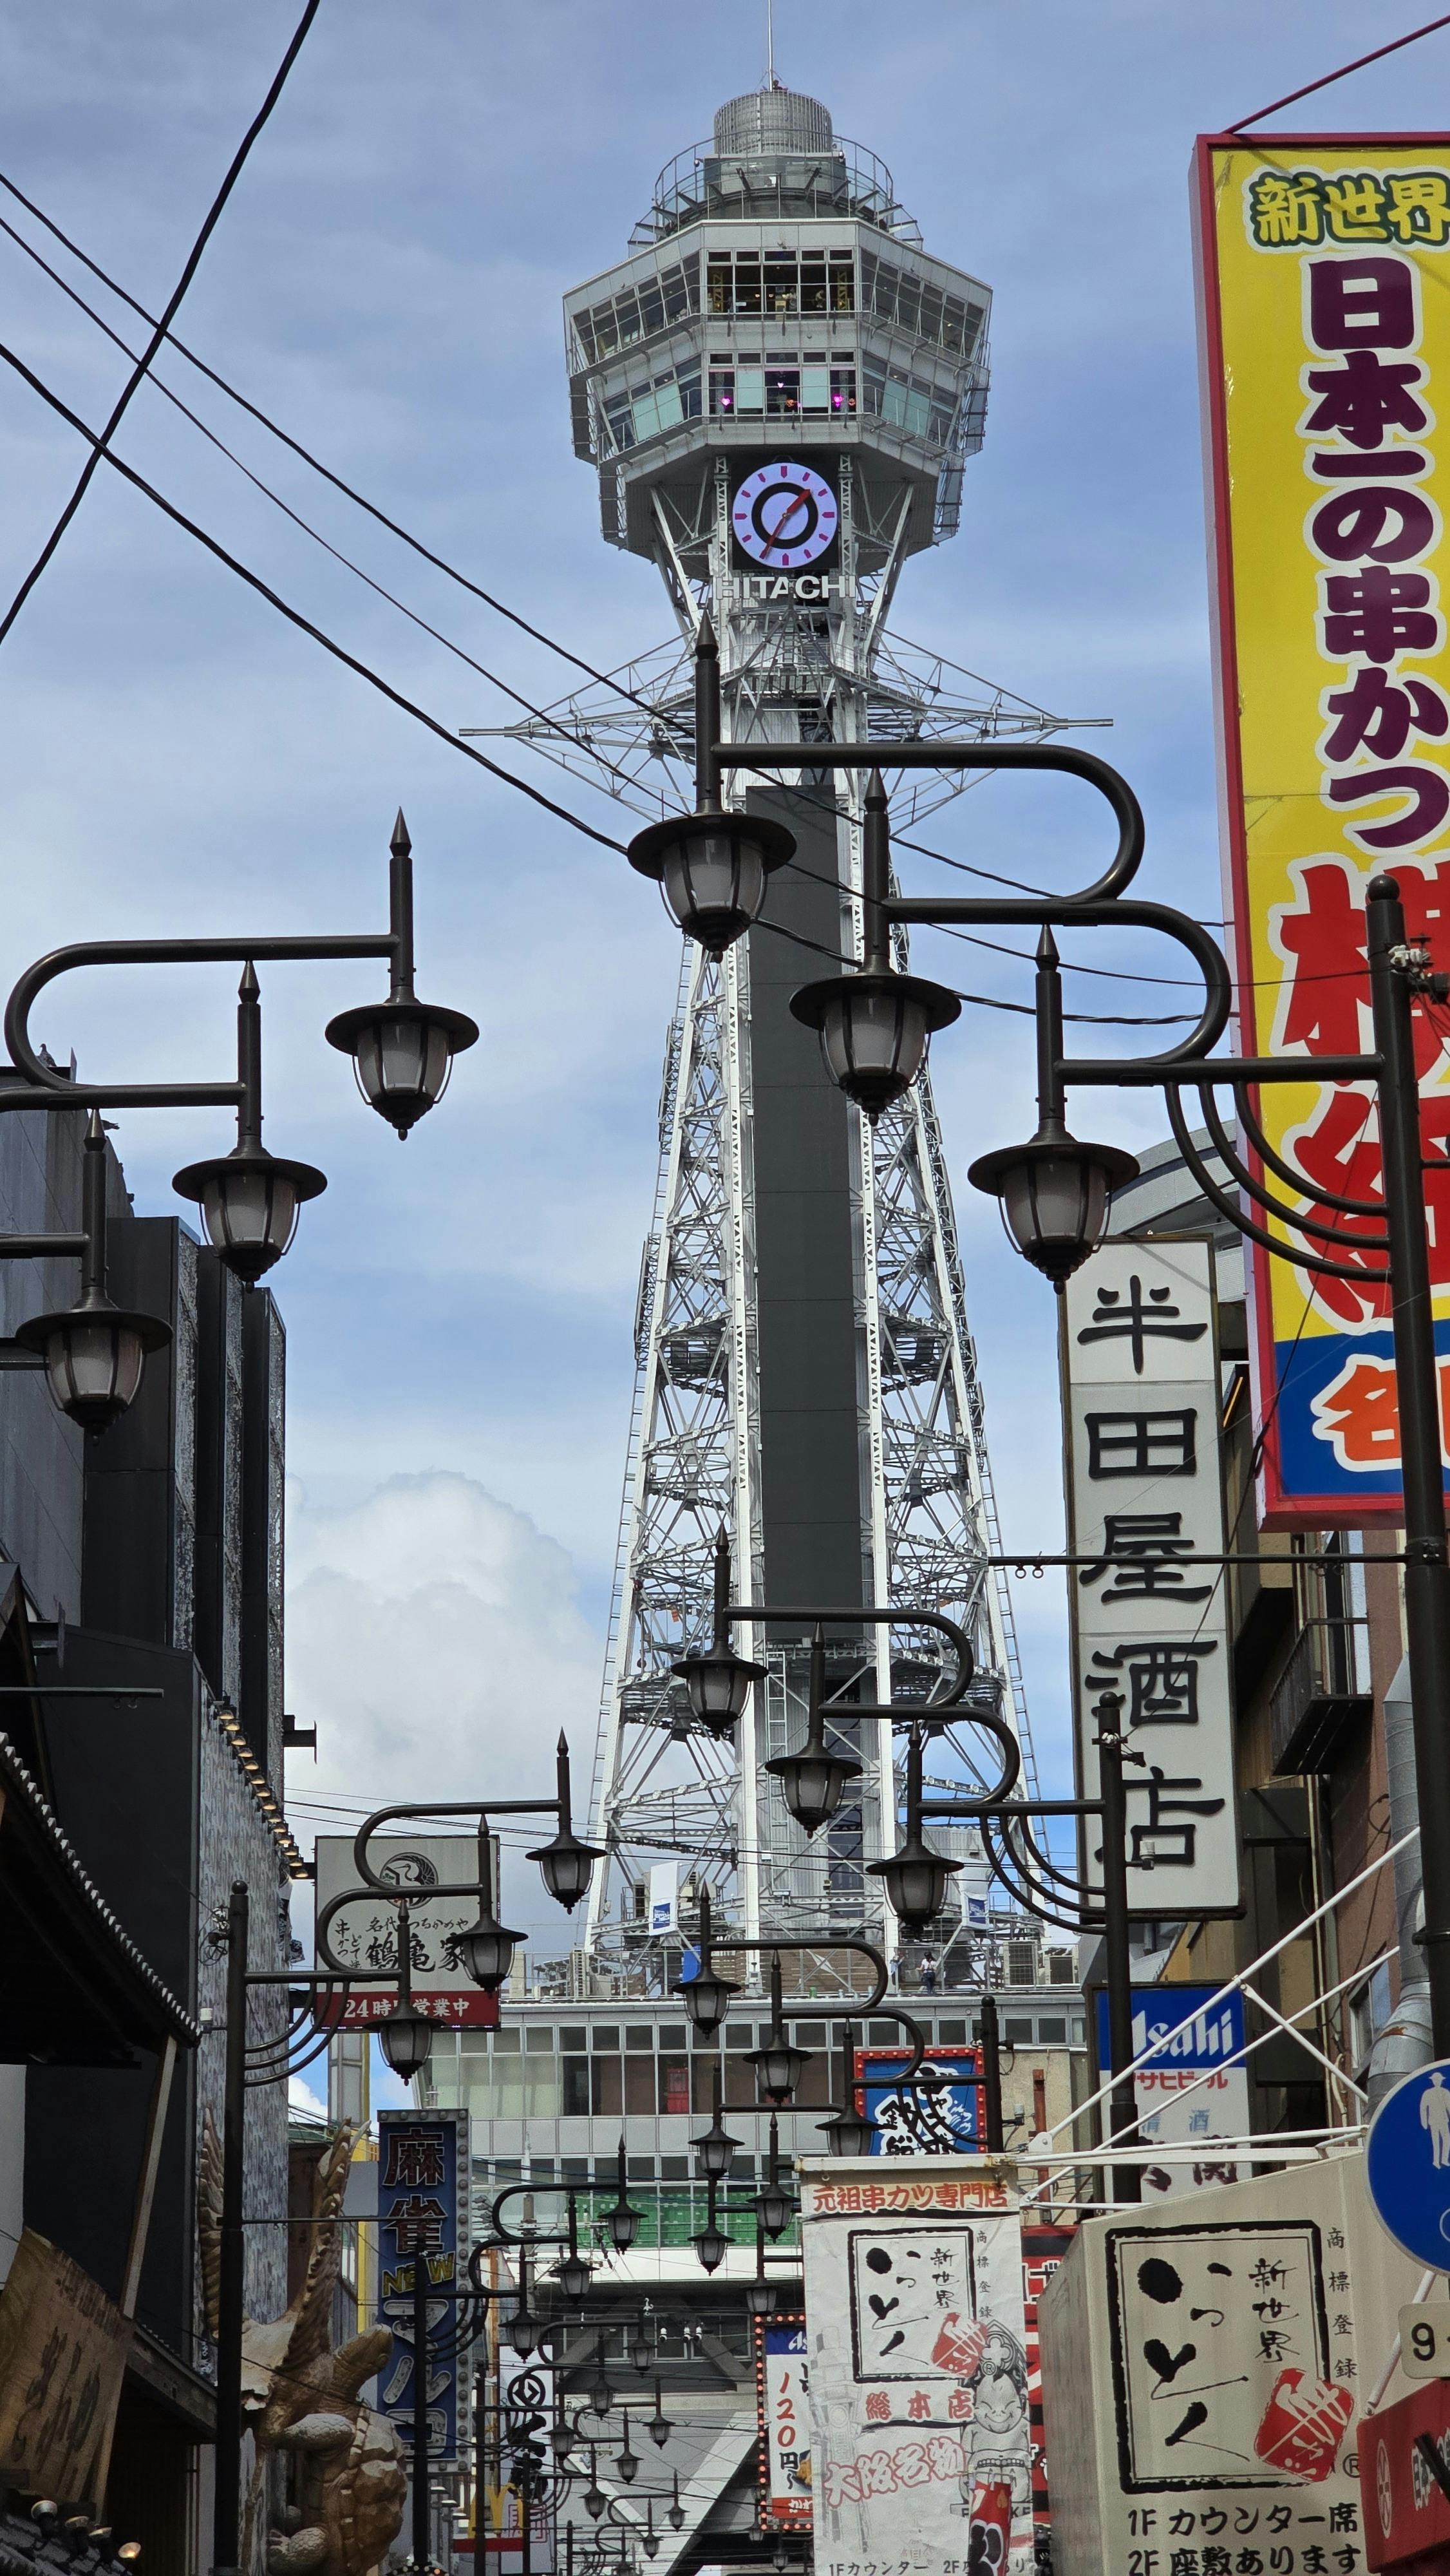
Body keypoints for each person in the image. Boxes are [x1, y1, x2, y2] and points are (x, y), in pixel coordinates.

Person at [1422, 2069, 1450, 2169]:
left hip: (1444, 2120)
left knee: (1447, 2140)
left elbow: (1449, 2106)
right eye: (1436, 2080)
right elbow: (1423, 2108)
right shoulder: (1428, 2093)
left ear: (1441, 2081)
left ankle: (1444, 2160)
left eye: (1439, 2080)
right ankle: (1435, 2162)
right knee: (1436, 2142)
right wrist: (1424, 2122)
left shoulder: (1445, 2092)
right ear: (1433, 2081)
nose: (1437, 2081)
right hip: (1434, 2122)